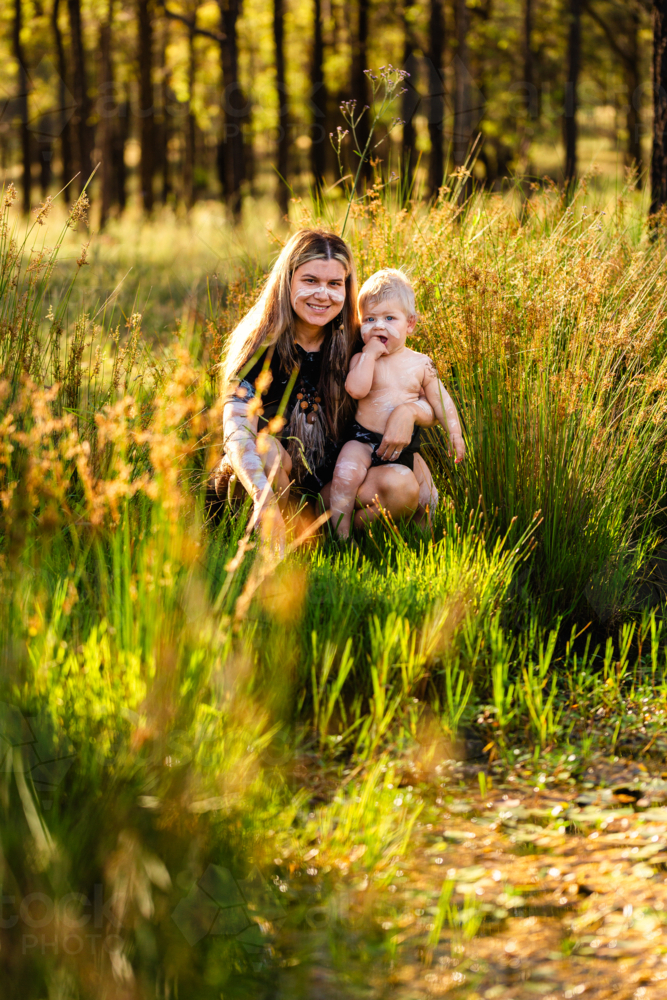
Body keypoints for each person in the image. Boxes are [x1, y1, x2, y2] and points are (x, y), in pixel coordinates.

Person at [207, 230, 439, 547]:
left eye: (334, 284)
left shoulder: (362, 343)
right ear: (287, 282)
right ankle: (276, 532)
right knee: (264, 450)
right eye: (310, 281)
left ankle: (330, 540)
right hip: (268, 488)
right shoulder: (260, 348)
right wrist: (264, 502)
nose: (322, 294)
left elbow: (426, 399)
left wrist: (408, 411)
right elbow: (236, 435)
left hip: (333, 490)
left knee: (401, 484)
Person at [329, 268, 465, 538]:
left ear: (410, 324)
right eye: (370, 319)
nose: (379, 326)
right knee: (345, 475)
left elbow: (442, 401)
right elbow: (355, 389)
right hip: (363, 441)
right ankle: (340, 535)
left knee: (427, 497)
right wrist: (369, 354)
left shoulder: (421, 364)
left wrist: (455, 432)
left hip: (406, 447)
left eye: (389, 317)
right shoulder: (362, 359)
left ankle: (420, 540)